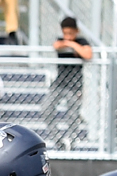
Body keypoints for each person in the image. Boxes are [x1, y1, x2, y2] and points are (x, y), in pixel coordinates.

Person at [40, 16, 90, 149]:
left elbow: (87, 54)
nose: (67, 36)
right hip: (59, 84)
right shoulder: (61, 41)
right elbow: (56, 46)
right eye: (65, 33)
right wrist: (68, 43)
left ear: (76, 31)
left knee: (73, 115)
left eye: (70, 34)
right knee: (46, 108)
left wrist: (72, 44)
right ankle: (58, 141)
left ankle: (72, 144)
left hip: (75, 86)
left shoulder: (81, 41)